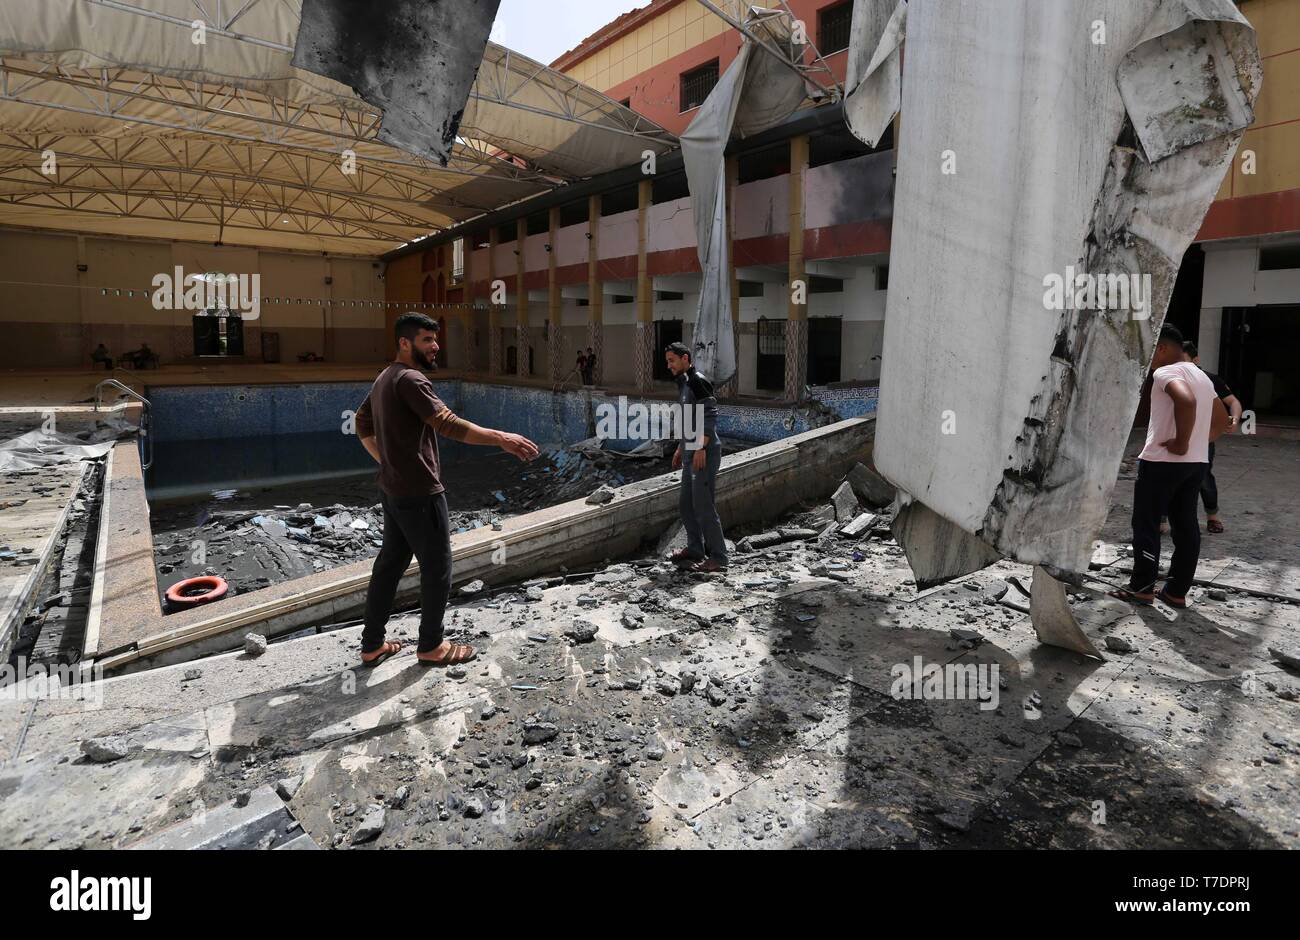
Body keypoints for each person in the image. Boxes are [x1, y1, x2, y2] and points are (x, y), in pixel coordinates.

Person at [355, 312, 539, 667]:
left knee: (390, 565)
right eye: (427, 340)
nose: (435, 346)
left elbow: (361, 424)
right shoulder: (410, 379)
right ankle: (431, 646)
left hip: (393, 491)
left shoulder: (385, 377)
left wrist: (386, 462)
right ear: (405, 343)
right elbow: (448, 425)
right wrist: (502, 438)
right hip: (420, 493)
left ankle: (372, 644)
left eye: (435, 339)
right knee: (437, 567)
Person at [1117, 324, 1228, 609]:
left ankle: (1141, 588)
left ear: (1163, 348)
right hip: (1196, 463)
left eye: (1151, 350)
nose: (1149, 358)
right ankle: (1176, 592)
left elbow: (1185, 400)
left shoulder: (1165, 372)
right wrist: (1196, 444)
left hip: (1162, 462)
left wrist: (1180, 442)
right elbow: (1221, 419)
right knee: (1186, 525)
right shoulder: (1201, 376)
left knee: (1147, 524)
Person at [664, 341, 727, 572]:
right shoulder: (683, 384)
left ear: (685, 358)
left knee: (703, 505)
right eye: (667, 361)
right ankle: (695, 548)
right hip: (691, 451)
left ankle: (719, 557)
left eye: (672, 360)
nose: (669, 366)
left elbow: (709, 415)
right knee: (686, 504)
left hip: (704, 453)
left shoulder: (698, 380)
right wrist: (682, 448)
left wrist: (700, 447)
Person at [1183, 341, 1242, 533]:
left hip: (1203, 438)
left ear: (1196, 359)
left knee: (1203, 478)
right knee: (1170, 478)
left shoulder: (1209, 379)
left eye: (1185, 361)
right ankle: (1163, 519)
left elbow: (1233, 402)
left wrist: (1234, 420)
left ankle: (1213, 516)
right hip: (1176, 436)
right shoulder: (1169, 378)